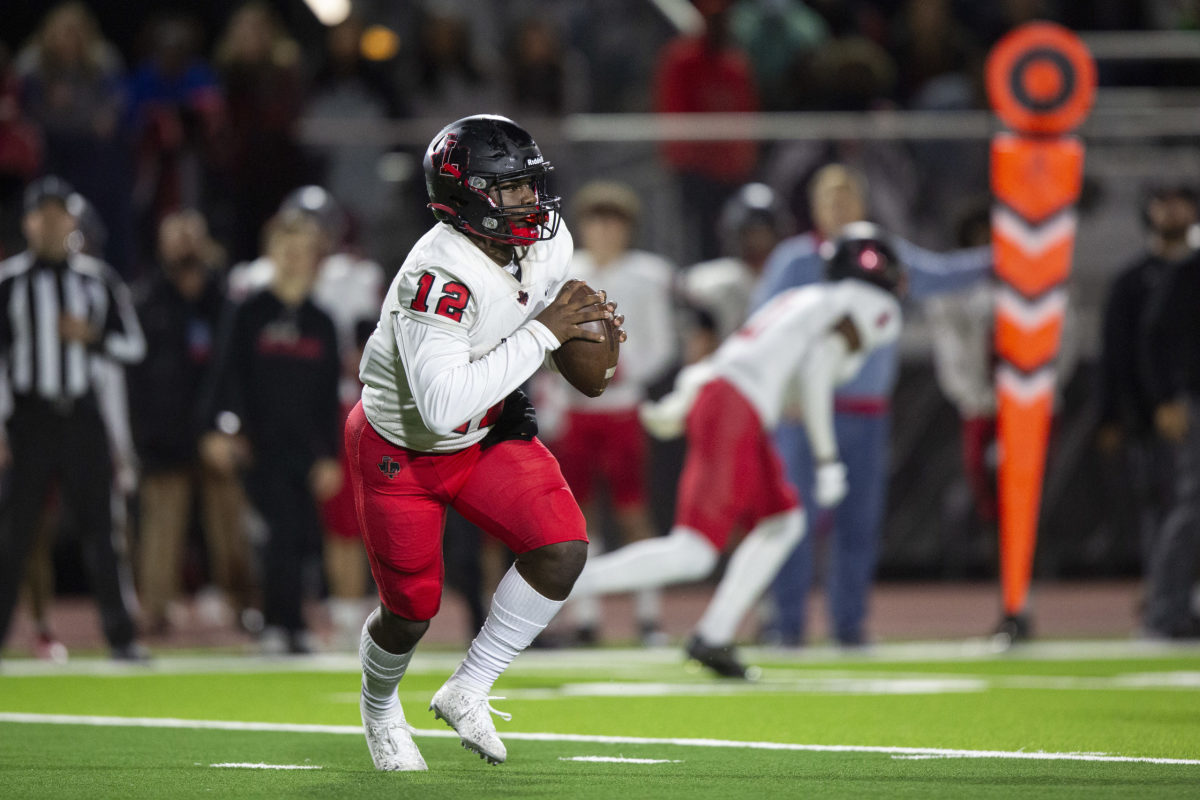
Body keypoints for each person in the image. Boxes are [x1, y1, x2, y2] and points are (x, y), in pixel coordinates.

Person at [350, 114, 623, 770]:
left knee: (561, 550)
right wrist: (545, 336)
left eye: (531, 185)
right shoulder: (438, 276)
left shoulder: (547, 244)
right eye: (510, 190)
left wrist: (587, 340)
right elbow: (441, 408)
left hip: (487, 430)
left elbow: (560, 341)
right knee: (411, 611)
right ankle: (380, 707)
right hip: (405, 451)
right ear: (467, 198)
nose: (530, 202)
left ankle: (469, 687)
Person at [569, 223, 904, 678]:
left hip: (728, 397)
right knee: (695, 552)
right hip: (736, 406)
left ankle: (714, 636)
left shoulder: (804, 297)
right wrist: (827, 460)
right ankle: (558, 585)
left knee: (784, 523)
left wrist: (687, 394)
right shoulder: (870, 304)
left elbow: (748, 357)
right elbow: (816, 372)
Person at [753, 163, 990, 647]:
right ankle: (786, 624)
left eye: (847, 197)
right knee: (792, 521)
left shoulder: (883, 255)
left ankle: (849, 624)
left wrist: (1011, 252)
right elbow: (761, 327)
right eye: (829, 198)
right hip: (801, 413)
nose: (839, 207)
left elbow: (942, 276)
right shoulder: (795, 260)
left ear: (862, 206)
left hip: (864, 412)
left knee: (858, 522)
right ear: (815, 208)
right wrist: (783, 391)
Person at [0, 175, 147, 661]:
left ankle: (121, 637)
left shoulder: (97, 279)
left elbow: (133, 345)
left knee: (101, 531)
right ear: (28, 222)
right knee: (13, 532)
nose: (53, 223)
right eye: (43, 214)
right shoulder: (9, 283)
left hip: (81, 416)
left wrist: (92, 337)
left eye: (62, 213)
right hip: (29, 418)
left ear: (73, 221)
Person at [201, 209, 342, 655]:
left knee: (301, 535)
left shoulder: (322, 320)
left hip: (306, 449)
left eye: (303, 251)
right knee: (278, 532)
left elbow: (327, 398)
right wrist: (217, 430)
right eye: (286, 249)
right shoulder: (248, 311)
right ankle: (282, 625)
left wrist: (331, 456)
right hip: (258, 446)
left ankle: (287, 624)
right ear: (272, 253)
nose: (295, 259)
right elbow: (224, 376)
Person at [547, 180, 677, 645]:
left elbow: (663, 344)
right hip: (577, 411)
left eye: (612, 221)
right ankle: (586, 614)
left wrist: (623, 368)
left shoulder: (645, 276)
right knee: (579, 516)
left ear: (626, 229)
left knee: (632, 509)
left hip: (622, 410)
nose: (603, 230)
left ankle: (647, 614)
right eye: (596, 220)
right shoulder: (564, 272)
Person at [128, 209, 251, 636]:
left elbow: (239, 370)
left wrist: (235, 429)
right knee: (160, 531)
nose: (183, 246)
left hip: (218, 433)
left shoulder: (227, 300)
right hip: (164, 436)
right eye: (175, 237)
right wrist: (138, 437)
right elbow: (133, 378)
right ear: (161, 245)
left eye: (189, 236)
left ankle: (243, 607)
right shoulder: (145, 300)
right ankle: (156, 613)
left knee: (232, 528)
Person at [1095, 185, 1197, 581]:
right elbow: (1118, 351)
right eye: (1164, 202)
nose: (1173, 211)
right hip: (1150, 410)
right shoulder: (1133, 278)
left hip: (1183, 402)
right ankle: (1162, 596)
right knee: (1162, 503)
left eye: (1181, 201)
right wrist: (1113, 414)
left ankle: (1174, 597)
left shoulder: (1192, 271)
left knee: (1183, 506)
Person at [1140, 224, 1200, 640]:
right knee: (1194, 505)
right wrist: (1165, 397)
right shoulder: (1189, 273)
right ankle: (1165, 610)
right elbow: (1154, 336)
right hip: (1197, 397)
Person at [680, 182, 791, 362]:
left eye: (763, 233)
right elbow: (698, 350)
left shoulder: (791, 275)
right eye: (750, 233)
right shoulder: (720, 279)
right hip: (729, 374)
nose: (757, 241)